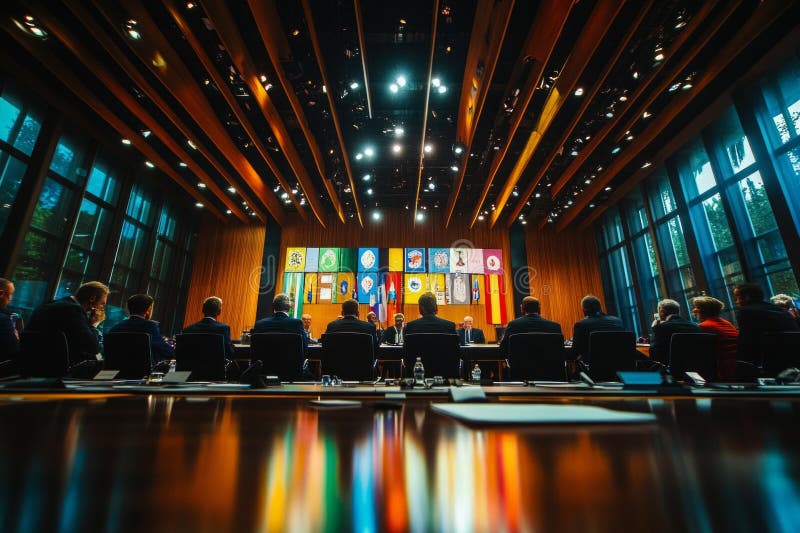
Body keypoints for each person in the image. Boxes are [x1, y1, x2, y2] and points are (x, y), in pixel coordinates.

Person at [26, 281, 108, 365]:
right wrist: (94, 324)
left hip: (30, 360)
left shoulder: (49, 304)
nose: (102, 308)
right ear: (92, 299)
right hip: (55, 365)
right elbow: (93, 348)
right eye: (102, 303)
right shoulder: (74, 310)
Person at [734, 283, 799, 363]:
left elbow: (747, 342)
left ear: (747, 297)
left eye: (737, 297)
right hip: (794, 357)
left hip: (772, 360)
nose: (736, 302)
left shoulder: (746, 312)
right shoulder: (780, 310)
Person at [109, 294, 175, 364]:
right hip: (142, 370)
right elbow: (163, 349)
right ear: (148, 310)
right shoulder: (149, 326)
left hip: (118, 368)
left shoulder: (116, 328)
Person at [691, 296, 738, 380]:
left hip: (723, 369)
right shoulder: (727, 323)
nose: (693, 310)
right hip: (738, 365)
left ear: (705, 310)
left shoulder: (704, 326)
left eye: (697, 307)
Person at [571, 294, 624, 362]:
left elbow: (574, 352)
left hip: (595, 368)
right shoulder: (618, 321)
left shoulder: (581, 325)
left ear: (584, 310)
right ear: (600, 307)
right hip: (620, 364)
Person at [648, 299, 700, 364]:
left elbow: (655, 355)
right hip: (697, 367)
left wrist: (654, 329)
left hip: (674, 370)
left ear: (662, 312)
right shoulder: (696, 326)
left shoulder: (662, 327)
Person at [0, 278, 19, 358]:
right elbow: (13, 351)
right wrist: (16, 339)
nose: (10, 299)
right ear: (0, 293)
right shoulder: (3, 320)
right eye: (10, 294)